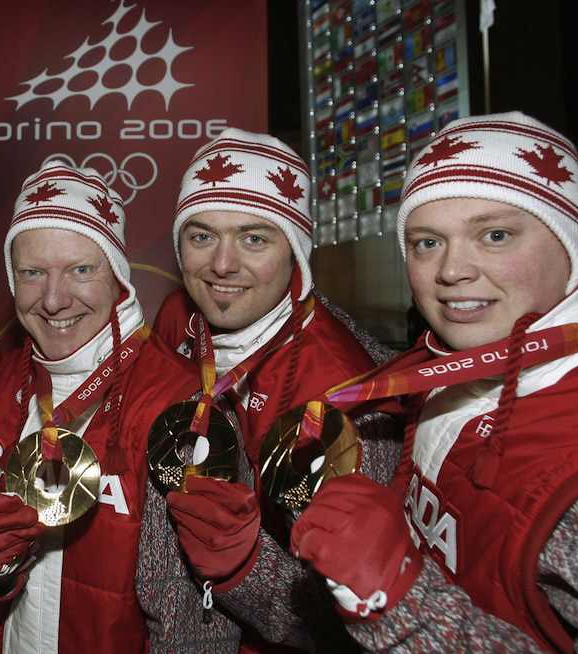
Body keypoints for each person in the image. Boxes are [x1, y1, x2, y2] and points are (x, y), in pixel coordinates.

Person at [292, 112, 578, 653]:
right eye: (427, 243)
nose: (451, 271)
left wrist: (402, 600)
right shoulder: (445, 364)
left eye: (494, 235)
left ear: (572, 244)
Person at [139, 128, 401, 652]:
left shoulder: (348, 394)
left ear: (296, 252)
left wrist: (243, 564)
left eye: (254, 238)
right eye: (201, 236)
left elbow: (343, 624)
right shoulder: (178, 317)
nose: (221, 265)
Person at [0, 161, 205, 654]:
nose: (53, 300)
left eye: (81, 270)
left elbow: (190, 628)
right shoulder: (8, 380)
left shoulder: (177, 401)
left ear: (118, 276)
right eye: (32, 273)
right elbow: (1, 592)